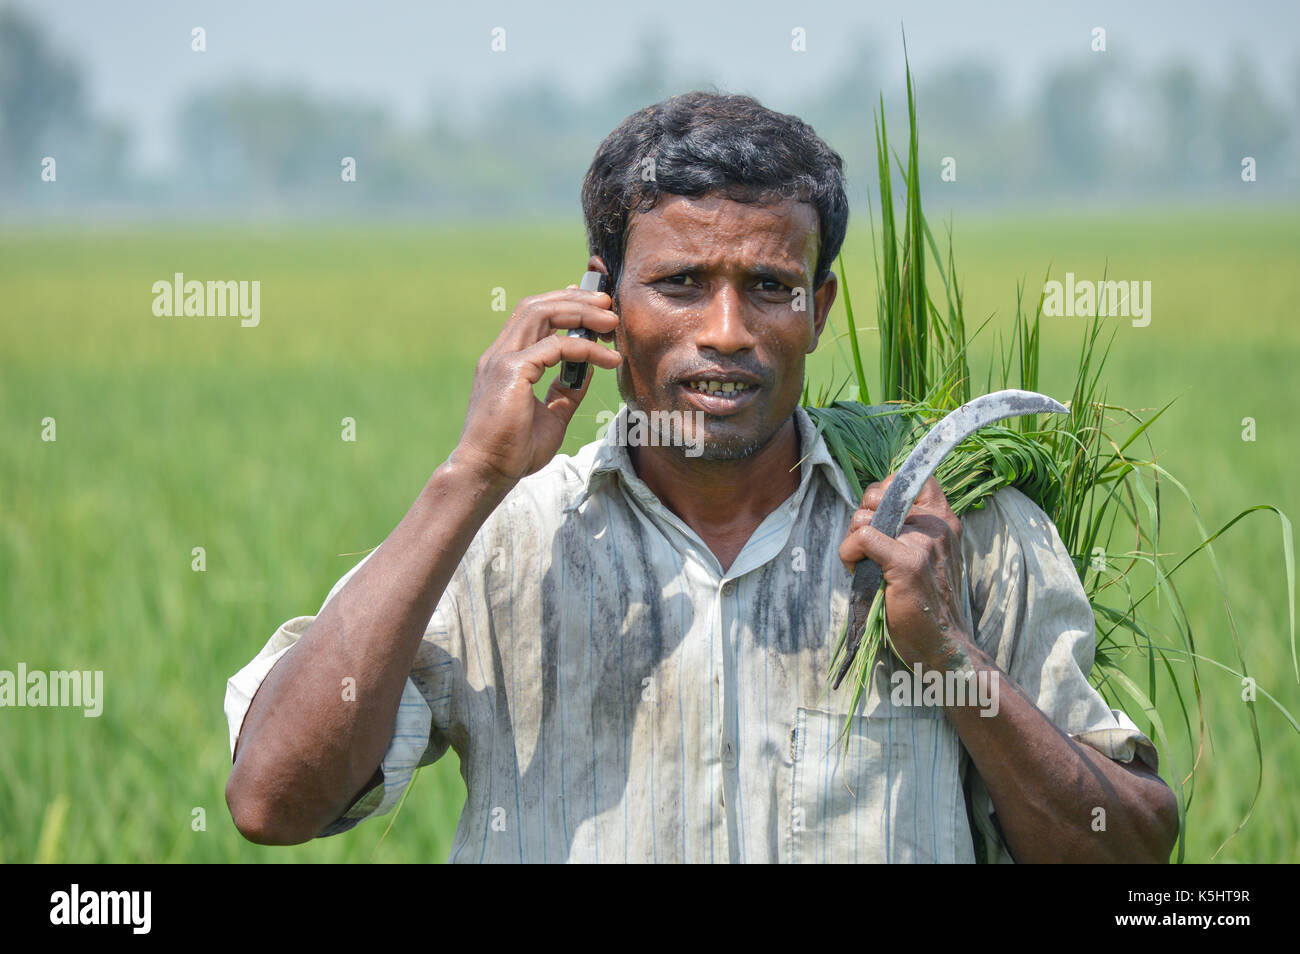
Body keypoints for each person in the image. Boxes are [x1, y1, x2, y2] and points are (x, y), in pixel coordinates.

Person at [224, 91, 1179, 863]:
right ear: (601, 300)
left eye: (769, 286)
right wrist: (472, 473)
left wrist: (946, 654)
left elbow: (1132, 856)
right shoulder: (502, 543)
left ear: (820, 307)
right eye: (681, 283)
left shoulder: (951, 536)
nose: (726, 331)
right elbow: (273, 800)